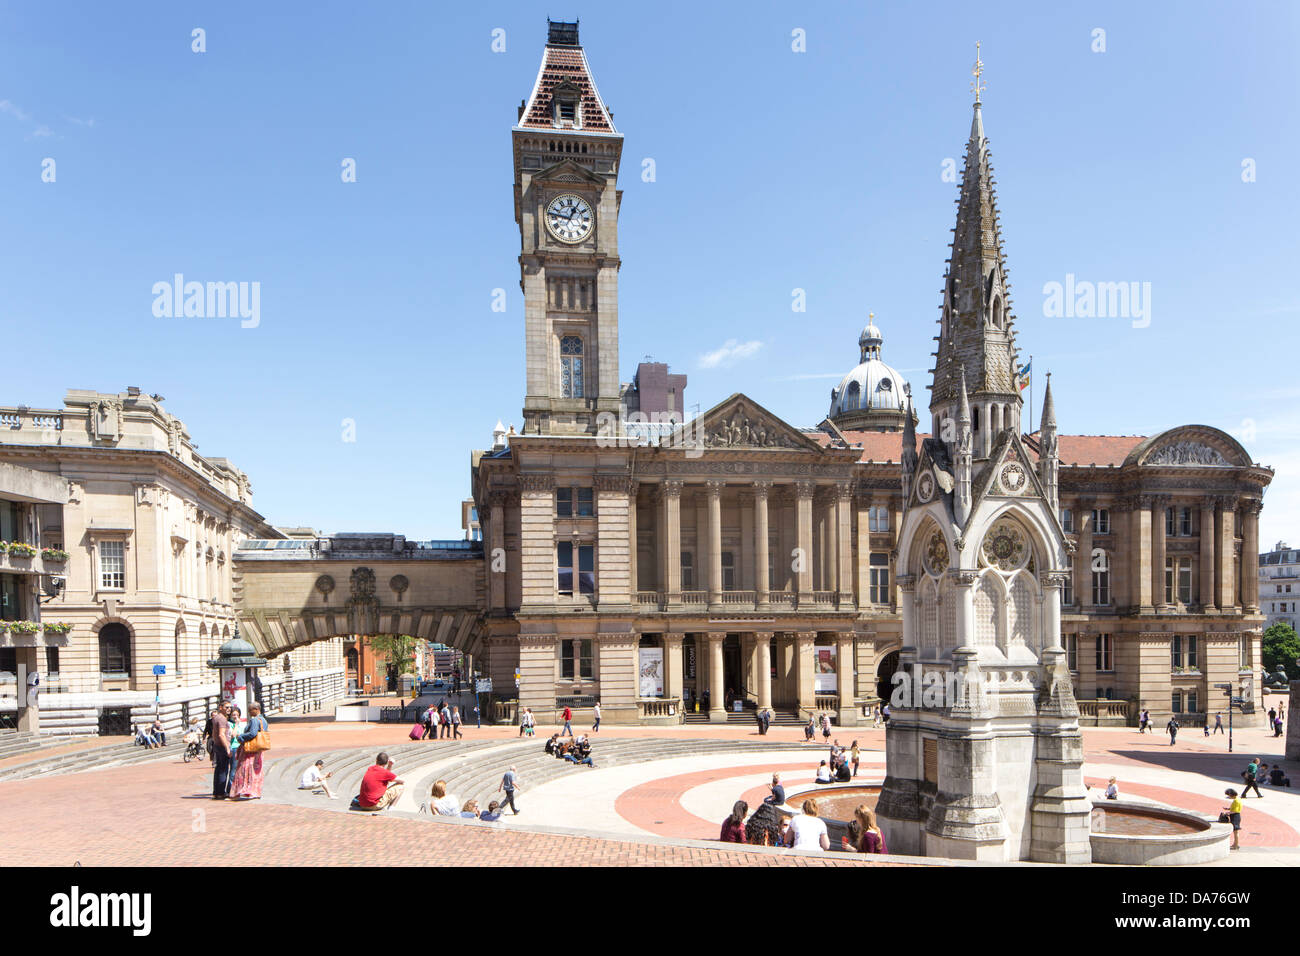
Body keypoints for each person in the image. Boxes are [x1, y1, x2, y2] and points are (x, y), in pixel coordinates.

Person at [231, 702, 269, 799]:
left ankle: (247, 790)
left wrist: (241, 737)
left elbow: (252, 734)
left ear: (256, 709)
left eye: (250, 710)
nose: (249, 712)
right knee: (257, 770)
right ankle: (255, 791)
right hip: (259, 749)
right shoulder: (264, 720)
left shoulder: (255, 720)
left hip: (250, 750)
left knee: (245, 769)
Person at [211, 701, 234, 799]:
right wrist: (227, 748)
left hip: (217, 745)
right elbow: (221, 734)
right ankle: (220, 792)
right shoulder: (222, 719)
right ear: (220, 707)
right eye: (226, 707)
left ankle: (216, 791)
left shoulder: (216, 718)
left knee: (218, 769)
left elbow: (214, 733)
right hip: (222, 746)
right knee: (223, 770)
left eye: (230, 707)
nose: (229, 709)